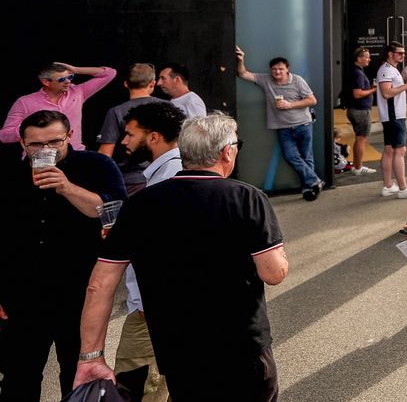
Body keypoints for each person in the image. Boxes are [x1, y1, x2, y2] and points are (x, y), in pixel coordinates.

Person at [75, 113, 288, 402]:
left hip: (177, 349)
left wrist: (91, 357)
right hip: (242, 346)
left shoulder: (139, 205)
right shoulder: (247, 198)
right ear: (227, 151)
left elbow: (99, 285)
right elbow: (273, 273)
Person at [0, 110, 125, 399]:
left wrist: (67, 188)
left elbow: (115, 214)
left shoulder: (97, 165)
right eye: (35, 145)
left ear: (69, 136)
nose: (45, 150)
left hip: (80, 292)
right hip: (23, 294)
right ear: (22, 143)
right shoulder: (9, 175)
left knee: (77, 375)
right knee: (19, 376)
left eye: (55, 142)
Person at [111, 101, 185, 402]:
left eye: (130, 134)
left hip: (151, 310)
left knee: (138, 390)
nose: (124, 141)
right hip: (154, 305)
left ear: (153, 137)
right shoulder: (165, 171)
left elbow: (167, 247)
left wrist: (144, 302)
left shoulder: (170, 176)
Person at [235, 47, 323, 201]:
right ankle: (315, 181)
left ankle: (308, 189)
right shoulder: (265, 80)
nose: (277, 72)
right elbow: (243, 74)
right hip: (283, 128)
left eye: (281, 69)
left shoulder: (297, 80)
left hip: (303, 124)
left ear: (287, 69)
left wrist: (290, 105)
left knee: (306, 157)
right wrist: (241, 60)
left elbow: (312, 100)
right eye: (274, 69)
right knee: (291, 156)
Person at [2, 62, 118, 148]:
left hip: (76, 154)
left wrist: (76, 69)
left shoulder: (77, 92)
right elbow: (4, 136)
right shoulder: (25, 102)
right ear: (46, 82)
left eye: (70, 77)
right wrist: (31, 127)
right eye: (62, 79)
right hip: (42, 158)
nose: (68, 81)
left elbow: (110, 73)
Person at [96, 62, 163, 194]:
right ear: (152, 83)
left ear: (126, 84)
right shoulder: (167, 108)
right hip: (163, 175)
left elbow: (105, 155)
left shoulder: (116, 112)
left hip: (131, 181)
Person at [373, 42, 407, 198]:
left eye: (404, 53)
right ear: (390, 54)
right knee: (399, 151)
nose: (403, 56)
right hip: (394, 117)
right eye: (400, 53)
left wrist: (406, 94)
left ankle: (388, 185)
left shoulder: (390, 70)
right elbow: (386, 93)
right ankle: (403, 188)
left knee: (390, 150)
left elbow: (391, 93)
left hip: (393, 115)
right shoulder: (386, 70)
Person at [346, 48, 378, 175]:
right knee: (361, 139)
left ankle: (357, 165)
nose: (369, 59)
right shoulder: (358, 73)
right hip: (360, 110)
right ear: (359, 58)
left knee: (359, 138)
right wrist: (373, 90)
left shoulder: (355, 71)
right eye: (366, 57)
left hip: (355, 110)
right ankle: (358, 168)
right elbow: (357, 93)